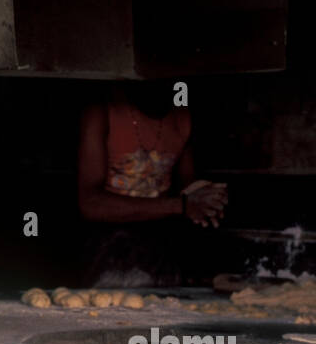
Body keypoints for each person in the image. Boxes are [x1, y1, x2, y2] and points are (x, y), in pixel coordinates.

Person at [76, 78, 231, 287]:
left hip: (159, 242)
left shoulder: (181, 114)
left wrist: (208, 199)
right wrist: (180, 205)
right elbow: (90, 204)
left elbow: (188, 187)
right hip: (106, 244)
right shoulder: (103, 109)